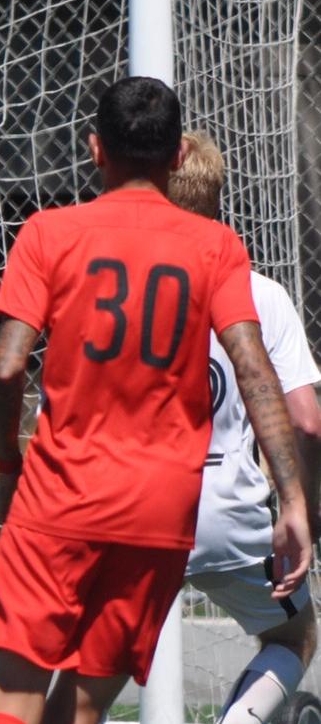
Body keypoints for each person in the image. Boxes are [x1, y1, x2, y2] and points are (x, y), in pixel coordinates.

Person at [0, 77, 311, 724]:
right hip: (158, 511)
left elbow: (5, 367)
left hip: (59, 496)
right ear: (178, 152)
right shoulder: (215, 248)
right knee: (78, 706)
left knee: (11, 701)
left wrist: (6, 467)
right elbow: (253, 373)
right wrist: (295, 499)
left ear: (93, 148)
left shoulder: (49, 232)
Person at [168, 131, 321, 724]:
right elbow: (306, 421)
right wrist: (303, 507)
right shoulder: (261, 293)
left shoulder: (123, 290)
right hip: (230, 512)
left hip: (137, 509)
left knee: (91, 669)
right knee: (293, 638)